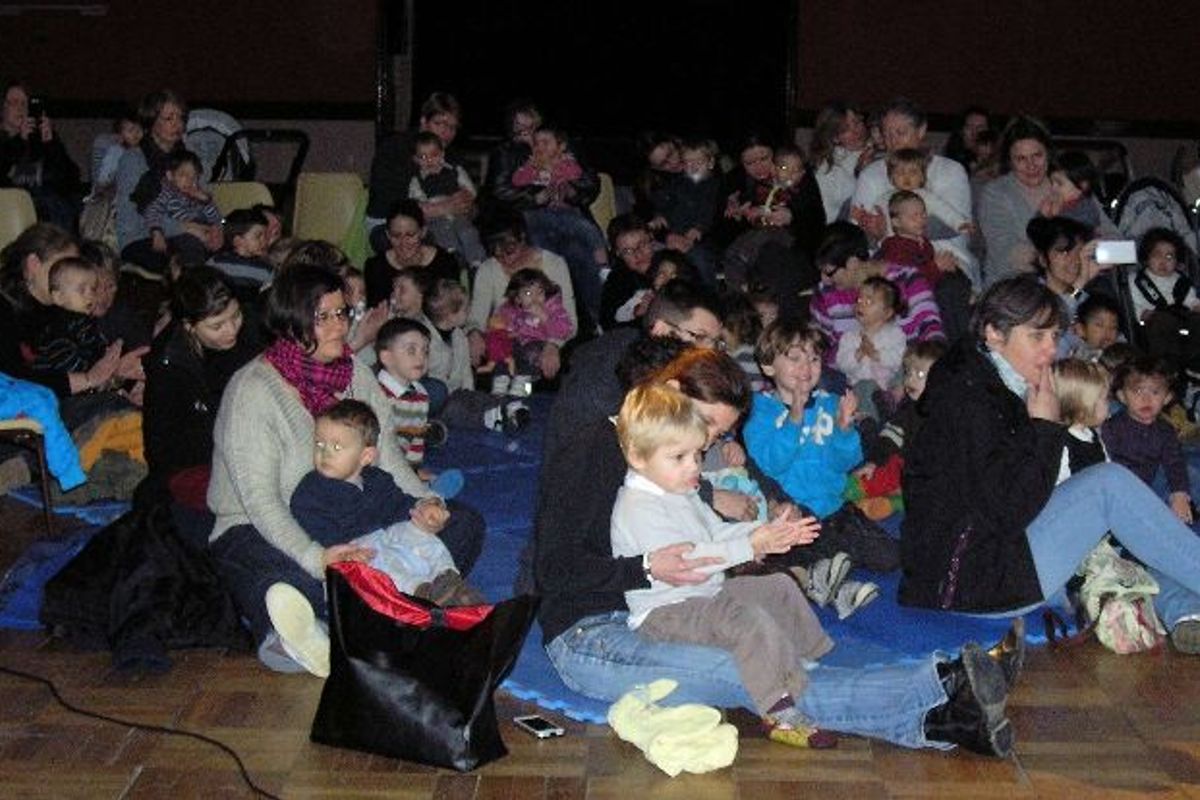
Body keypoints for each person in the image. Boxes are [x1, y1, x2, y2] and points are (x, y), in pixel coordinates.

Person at [537, 347, 1024, 758]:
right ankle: (945, 684)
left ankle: (944, 720)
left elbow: (703, 534)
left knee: (779, 638)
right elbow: (555, 570)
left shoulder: (668, 464)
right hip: (593, 637)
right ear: (672, 395)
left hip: (667, 606)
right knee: (767, 673)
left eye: (714, 434)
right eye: (705, 425)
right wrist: (644, 569)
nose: (706, 443)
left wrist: (762, 529)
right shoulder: (601, 448)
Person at [207, 264, 486, 672]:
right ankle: (382, 612)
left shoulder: (354, 373)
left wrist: (424, 502)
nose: (339, 326)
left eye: (342, 313)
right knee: (282, 579)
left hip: (357, 514)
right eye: (323, 318)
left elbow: (387, 455)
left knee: (462, 523)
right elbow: (260, 500)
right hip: (267, 524)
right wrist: (315, 557)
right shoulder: (252, 390)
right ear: (291, 322)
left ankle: (348, 620)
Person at [899, 277, 1200, 654]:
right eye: (1037, 337)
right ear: (994, 333)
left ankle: (1187, 608)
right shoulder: (970, 401)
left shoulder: (986, 379)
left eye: (1055, 337)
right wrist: (1044, 428)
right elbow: (1010, 510)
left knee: (1139, 527)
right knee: (1109, 487)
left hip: (982, 560)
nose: (1050, 350)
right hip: (974, 581)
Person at [610, 382, 837, 748]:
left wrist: (766, 531)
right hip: (665, 611)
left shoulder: (679, 490)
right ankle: (778, 707)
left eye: (698, 455)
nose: (694, 468)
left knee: (778, 586)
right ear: (638, 456)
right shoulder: (638, 506)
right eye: (679, 457)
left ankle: (813, 663)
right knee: (746, 619)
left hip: (704, 593)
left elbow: (714, 530)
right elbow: (691, 561)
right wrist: (750, 545)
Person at [275, 399, 478, 676]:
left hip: (392, 541)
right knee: (382, 564)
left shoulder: (378, 479)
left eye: (336, 447)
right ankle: (419, 596)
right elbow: (315, 530)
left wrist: (425, 509)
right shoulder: (311, 492)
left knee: (423, 536)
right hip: (357, 554)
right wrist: (345, 552)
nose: (324, 454)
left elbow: (402, 504)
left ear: (366, 456)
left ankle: (448, 581)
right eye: (319, 444)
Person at [744, 319, 899, 584]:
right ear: (768, 366)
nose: (806, 368)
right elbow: (771, 465)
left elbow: (845, 463)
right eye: (794, 358)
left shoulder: (829, 403)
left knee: (890, 558)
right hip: (795, 516)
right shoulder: (760, 411)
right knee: (791, 564)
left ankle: (828, 563)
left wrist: (844, 430)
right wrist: (794, 420)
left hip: (835, 508)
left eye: (814, 359)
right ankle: (818, 566)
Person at [0, 224, 145, 426]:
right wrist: (87, 379)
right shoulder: (6, 311)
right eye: (66, 264)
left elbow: (95, 358)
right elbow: (14, 381)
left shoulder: (63, 310)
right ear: (34, 264)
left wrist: (125, 379)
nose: (74, 274)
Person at [142, 267, 260, 510]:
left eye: (235, 316)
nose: (231, 329)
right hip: (198, 461)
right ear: (189, 326)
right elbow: (161, 447)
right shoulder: (170, 363)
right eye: (217, 326)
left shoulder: (249, 331)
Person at [977, 116, 1117, 287]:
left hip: (1080, 284)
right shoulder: (995, 193)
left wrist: (1095, 255)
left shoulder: (1070, 184)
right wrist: (1072, 258)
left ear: (1048, 154)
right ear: (1009, 161)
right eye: (1021, 159)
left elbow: (1116, 240)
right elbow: (1006, 254)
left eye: (1037, 155)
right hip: (1018, 286)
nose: (1031, 165)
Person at [508, 125, 607, 330]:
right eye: (536, 143)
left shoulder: (566, 161)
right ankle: (548, 299)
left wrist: (554, 167)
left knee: (581, 226)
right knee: (540, 241)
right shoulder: (530, 165)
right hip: (539, 215)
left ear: (561, 147)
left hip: (564, 213)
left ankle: (602, 262)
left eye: (546, 143)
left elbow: (578, 174)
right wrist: (533, 170)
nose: (539, 147)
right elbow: (516, 181)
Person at [116, 90, 220, 273]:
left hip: (190, 228)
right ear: (151, 122)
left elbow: (203, 202)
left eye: (181, 118)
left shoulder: (187, 158)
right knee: (189, 253)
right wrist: (185, 227)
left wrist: (217, 227)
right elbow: (130, 220)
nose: (177, 125)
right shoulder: (134, 159)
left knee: (238, 241)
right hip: (143, 236)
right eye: (169, 119)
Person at [850, 98, 970, 253]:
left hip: (943, 256)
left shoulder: (950, 170)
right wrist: (870, 229)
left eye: (900, 133)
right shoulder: (871, 174)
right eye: (887, 134)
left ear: (921, 130)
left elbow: (952, 225)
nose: (893, 142)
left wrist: (887, 228)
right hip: (887, 261)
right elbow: (857, 231)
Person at [809, 221, 944, 360]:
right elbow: (820, 351)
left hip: (906, 369)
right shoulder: (824, 294)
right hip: (849, 374)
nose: (824, 280)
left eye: (829, 272)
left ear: (853, 263)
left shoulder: (907, 280)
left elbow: (931, 331)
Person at [467, 212, 576, 380]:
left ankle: (524, 393)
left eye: (509, 251)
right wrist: (474, 333)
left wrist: (554, 344)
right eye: (496, 253)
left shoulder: (554, 264)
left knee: (530, 370)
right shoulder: (488, 269)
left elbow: (569, 321)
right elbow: (477, 316)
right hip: (507, 341)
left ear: (522, 237)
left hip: (543, 338)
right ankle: (501, 395)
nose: (503, 259)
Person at [366, 92, 470, 253]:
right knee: (435, 243)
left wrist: (466, 202)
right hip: (387, 224)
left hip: (442, 222)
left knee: (469, 238)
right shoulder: (395, 148)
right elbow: (390, 204)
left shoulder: (451, 156)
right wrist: (441, 208)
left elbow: (469, 199)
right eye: (439, 123)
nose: (446, 132)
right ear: (423, 122)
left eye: (452, 127)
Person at [1102, 356, 1193, 523]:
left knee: (1188, 470)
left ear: (1167, 398)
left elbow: (1175, 463)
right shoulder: (1112, 428)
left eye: (1155, 392)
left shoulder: (1165, 431)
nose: (1146, 399)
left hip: (1149, 486)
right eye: (1137, 391)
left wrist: (1179, 494)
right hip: (1117, 492)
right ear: (1122, 396)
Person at [0, 81, 81, 229]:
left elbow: (72, 177)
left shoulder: (39, 140)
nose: (20, 108)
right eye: (14, 102)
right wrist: (19, 141)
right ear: (3, 107)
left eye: (24, 103)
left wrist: (52, 144)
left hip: (49, 209)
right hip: (11, 207)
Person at [485, 268, 575, 395]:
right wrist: (506, 331)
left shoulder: (553, 308)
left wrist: (544, 317)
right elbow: (497, 325)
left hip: (536, 346)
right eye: (528, 293)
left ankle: (524, 385)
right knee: (500, 347)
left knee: (532, 352)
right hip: (515, 347)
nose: (535, 298)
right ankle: (501, 379)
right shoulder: (509, 310)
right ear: (517, 299)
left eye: (539, 292)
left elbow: (565, 329)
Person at [646, 138, 722, 285]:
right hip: (672, 236)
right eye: (688, 163)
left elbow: (711, 210)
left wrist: (699, 228)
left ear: (711, 163)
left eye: (698, 163)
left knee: (700, 260)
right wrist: (659, 216)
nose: (692, 167)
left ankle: (709, 296)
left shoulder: (714, 186)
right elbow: (663, 202)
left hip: (698, 240)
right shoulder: (677, 183)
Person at [363, 200, 463, 309]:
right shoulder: (375, 267)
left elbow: (452, 309)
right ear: (388, 235)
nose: (403, 242)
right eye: (396, 235)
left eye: (410, 235)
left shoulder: (445, 263)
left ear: (423, 232)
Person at [407, 131, 486, 266]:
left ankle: (476, 261)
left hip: (458, 211)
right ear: (416, 159)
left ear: (442, 154)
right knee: (443, 234)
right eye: (423, 157)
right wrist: (433, 205)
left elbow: (471, 190)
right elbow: (416, 202)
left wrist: (465, 195)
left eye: (434, 155)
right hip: (436, 216)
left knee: (467, 232)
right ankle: (453, 257)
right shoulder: (417, 180)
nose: (429, 160)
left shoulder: (455, 171)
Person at [834, 276, 907, 417]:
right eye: (859, 300)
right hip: (861, 387)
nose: (861, 305)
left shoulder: (895, 334)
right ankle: (870, 421)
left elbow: (898, 358)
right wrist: (858, 354)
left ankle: (893, 408)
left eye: (868, 301)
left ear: (887, 313)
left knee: (906, 367)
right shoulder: (850, 336)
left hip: (889, 385)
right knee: (864, 387)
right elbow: (842, 364)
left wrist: (876, 355)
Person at [1128, 227, 1200, 368]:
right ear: (1147, 257)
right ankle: (1165, 365)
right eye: (1157, 255)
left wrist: (1196, 306)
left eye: (1169, 257)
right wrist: (1141, 313)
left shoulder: (1181, 281)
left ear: (1177, 262)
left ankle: (1195, 363)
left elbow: (1191, 300)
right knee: (1162, 321)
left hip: (1181, 320)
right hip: (1152, 323)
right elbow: (1131, 304)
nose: (1163, 261)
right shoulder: (1136, 280)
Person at [31, 257, 108, 381]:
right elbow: (64, 361)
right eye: (81, 290)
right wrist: (93, 372)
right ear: (59, 297)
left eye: (92, 289)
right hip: (58, 390)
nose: (90, 296)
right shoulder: (58, 324)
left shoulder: (84, 321)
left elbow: (96, 346)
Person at [143, 149, 222, 267]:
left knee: (227, 239)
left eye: (194, 177)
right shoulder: (165, 193)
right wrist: (157, 232)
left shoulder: (197, 193)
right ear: (170, 175)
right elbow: (152, 212)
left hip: (204, 227)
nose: (189, 181)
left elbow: (217, 218)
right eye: (183, 175)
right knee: (191, 246)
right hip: (180, 233)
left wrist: (206, 201)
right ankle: (194, 273)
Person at [1025, 216, 1108, 321]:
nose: (1074, 260)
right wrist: (1081, 282)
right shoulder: (1028, 296)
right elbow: (1052, 322)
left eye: (1080, 252)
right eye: (1064, 252)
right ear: (1043, 259)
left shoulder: (1082, 297)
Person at [809, 102, 874, 223]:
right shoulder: (828, 169)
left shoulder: (879, 146)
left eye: (856, 123)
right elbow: (825, 215)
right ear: (835, 138)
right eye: (845, 129)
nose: (855, 131)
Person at [1052, 358, 1110, 484]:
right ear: (1086, 405)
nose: (1109, 404)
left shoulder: (1092, 435)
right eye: (1105, 399)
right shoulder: (1062, 444)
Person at [599, 214, 656, 330]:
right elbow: (608, 323)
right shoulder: (617, 281)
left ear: (651, 238)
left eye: (642, 244)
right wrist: (637, 314)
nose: (638, 254)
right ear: (618, 253)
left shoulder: (671, 264)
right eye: (628, 251)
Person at [207, 208, 273, 291]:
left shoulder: (214, 261)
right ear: (238, 241)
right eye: (258, 236)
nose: (264, 241)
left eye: (265, 236)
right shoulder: (265, 272)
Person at [1062, 294, 1121, 361]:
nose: (1107, 331)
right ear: (1081, 329)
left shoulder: (1121, 356)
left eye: (1113, 327)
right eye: (1099, 325)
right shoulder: (1074, 356)